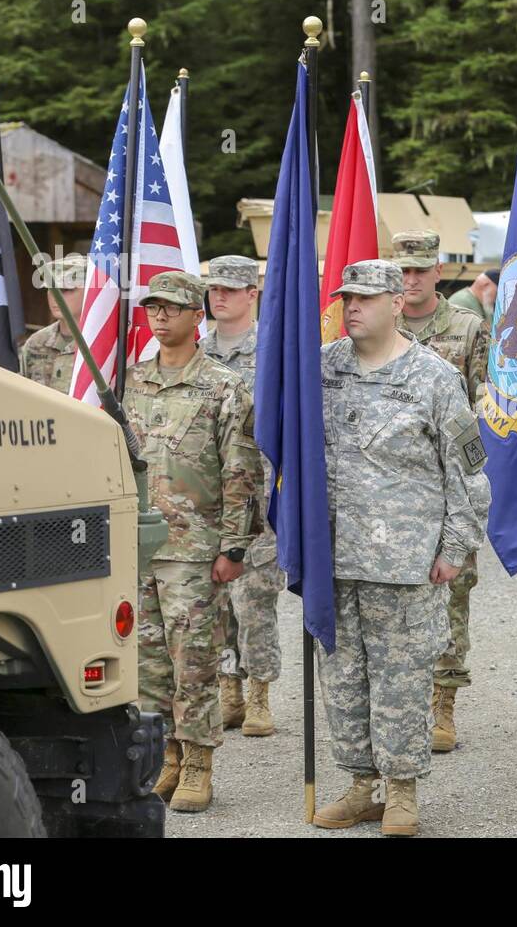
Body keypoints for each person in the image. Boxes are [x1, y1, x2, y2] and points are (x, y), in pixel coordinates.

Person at [312, 260, 490, 837]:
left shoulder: (435, 377)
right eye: (346, 297)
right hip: (334, 560)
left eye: (365, 297)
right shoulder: (321, 369)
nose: (352, 306)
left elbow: (468, 472)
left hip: (407, 562)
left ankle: (404, 790)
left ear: (396, 302)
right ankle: (362, 785)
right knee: (343, 679)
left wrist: (456, 546)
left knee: (402, 679)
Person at [123, 271, 265, 813]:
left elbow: (240, 470)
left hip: (194, 549)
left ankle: (200, 762)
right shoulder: (132, 380)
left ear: (194, 314)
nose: (159, 316)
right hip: (142, 546)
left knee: (195, 661)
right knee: (149, 662)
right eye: (152, 308)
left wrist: (234, 546)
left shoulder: (223, 386)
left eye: (171, 308)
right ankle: (166, 758)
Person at [391, 228, 491, 752]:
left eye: (420, 270)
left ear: (438, 272)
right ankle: (396, 702)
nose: (410, 280)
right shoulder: (374, 326)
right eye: (402, 270)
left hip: (448, 488)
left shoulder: (468, 329)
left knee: (451, 592)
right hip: (388, 490)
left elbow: (484, 409)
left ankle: (442, 705)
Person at [202, 255, 285, 736]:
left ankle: (259, 693)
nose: (220, 297)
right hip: (208, 498)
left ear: (252, 294)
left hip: (258, 499)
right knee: (217, 606)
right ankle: (227, 688)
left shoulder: (270, 352)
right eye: (214, 289)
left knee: (255, 603)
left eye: (231, 290)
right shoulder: (196, 351)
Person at [19, 253, 87, 393]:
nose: (56, 297)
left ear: (89, 292)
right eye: (52, 289)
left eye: (66, 290)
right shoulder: (37, 342)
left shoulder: (101, 343)